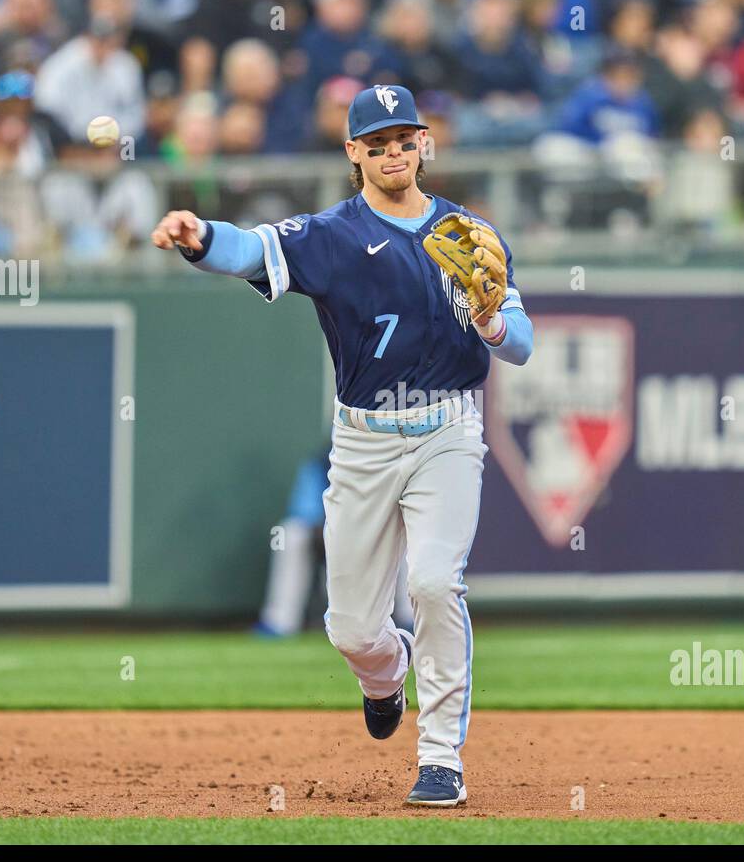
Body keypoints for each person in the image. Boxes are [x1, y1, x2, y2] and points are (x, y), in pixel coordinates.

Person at [150, 85, 534, 807]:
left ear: (425, 143)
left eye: (405, 138)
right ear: (353, 152)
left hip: (449, 430)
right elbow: (249, 248)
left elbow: (521, 345)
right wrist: (198, 235)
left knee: (432, 583)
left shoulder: (469, 233)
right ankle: (387, 677)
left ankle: (442, 757)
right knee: (354, 630)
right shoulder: (329, 234)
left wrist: (489, 321)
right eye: (377, 142)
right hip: (362, 442)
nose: (394, 152)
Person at [256, 450, 413, 638]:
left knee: (406, 529)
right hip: (331, 536)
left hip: (379, 534)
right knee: (289, 533)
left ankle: (409, 618)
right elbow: (304, 512)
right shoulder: (321, 464)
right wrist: (334, 529)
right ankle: (279, 622)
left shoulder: (392, 460)